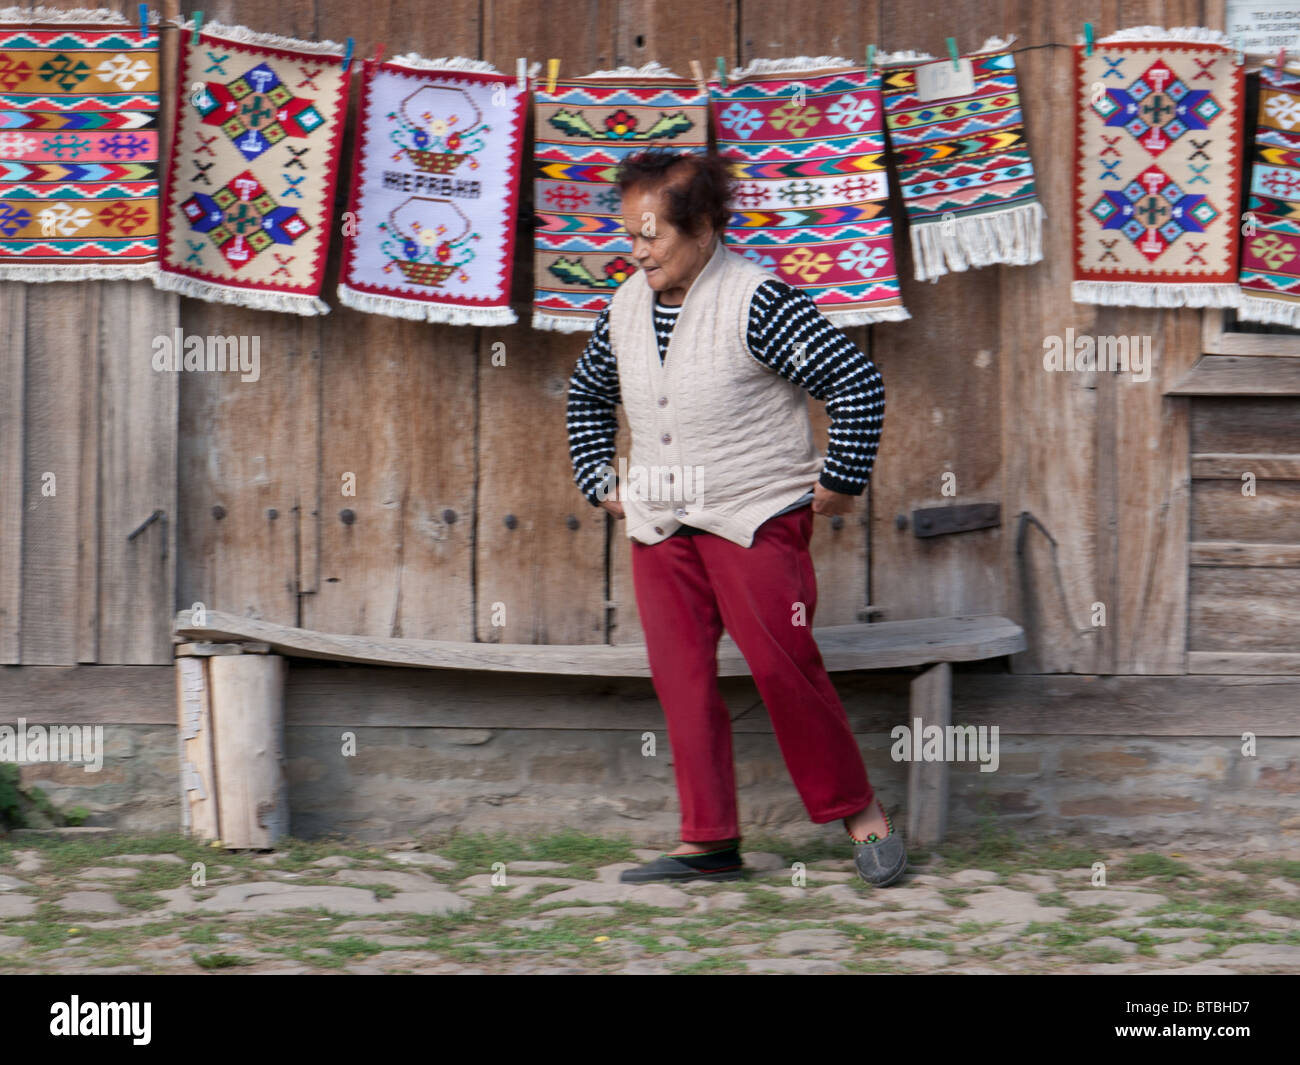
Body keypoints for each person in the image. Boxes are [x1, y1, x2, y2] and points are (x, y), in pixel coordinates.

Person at [564, 147, 904, 887]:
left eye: (653, 233)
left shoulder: (757, 300)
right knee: (681, 681)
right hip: (660, 525)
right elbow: (588, 395)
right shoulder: (623, 306)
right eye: (631, 233)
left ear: (705, 226)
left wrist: (841, 481)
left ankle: (861, 813)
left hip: (753, 516)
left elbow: (857, 382)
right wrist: (599, 478)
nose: (638, 248)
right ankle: (709, 840)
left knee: (786, 668)